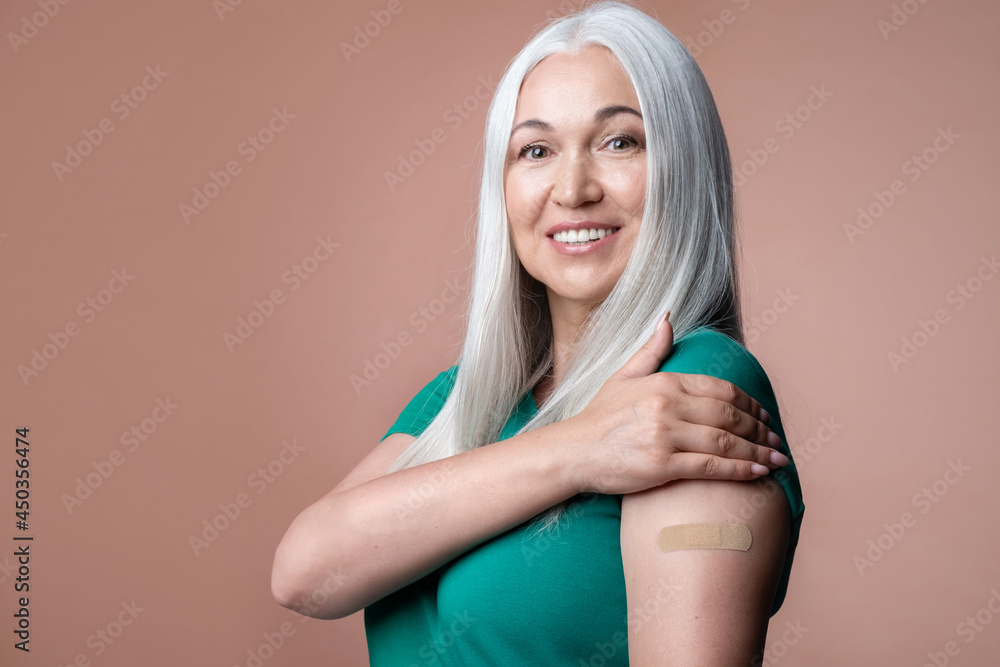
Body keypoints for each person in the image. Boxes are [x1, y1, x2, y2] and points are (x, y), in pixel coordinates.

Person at [271, 1, 805, 664]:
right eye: (536, 150)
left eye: (620, 141)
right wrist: (580, 447)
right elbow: (304, 571)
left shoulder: (690, 389)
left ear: (684, 167)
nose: (573, 188)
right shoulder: (467, 401)